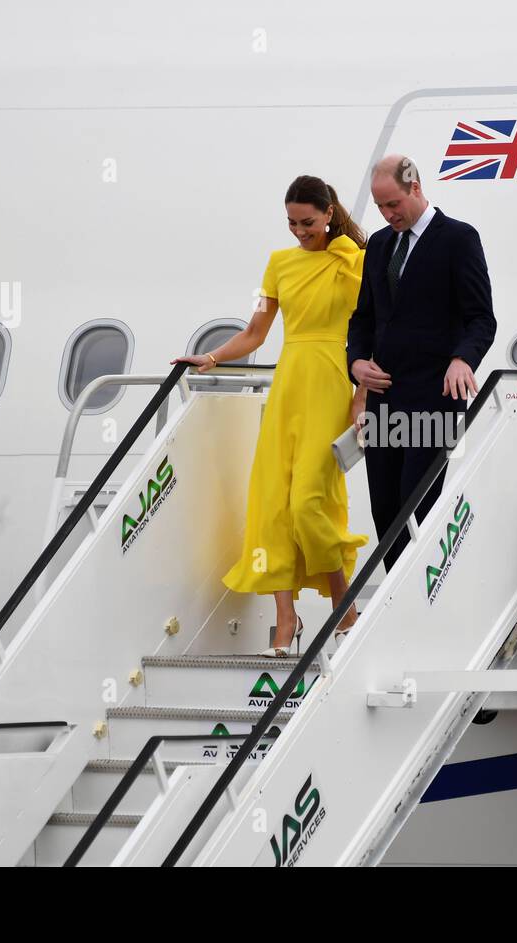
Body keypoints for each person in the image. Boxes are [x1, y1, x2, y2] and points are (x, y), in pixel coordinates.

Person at [172, 175, 367, 656]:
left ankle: (344, 605)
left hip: (331, 381)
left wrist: (363, 394)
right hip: (289, 384)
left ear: (328, 214)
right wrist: (212, 357)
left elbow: (374, 334)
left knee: (308, 502)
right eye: (291, 222)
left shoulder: (356, 261)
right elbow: (256, 332)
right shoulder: (279, 264)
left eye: (307, 222)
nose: (299, 231)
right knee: (273, 503)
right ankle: (286, 621)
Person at [347, 154, 496, 572]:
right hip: (384, 402)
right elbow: (363, 319)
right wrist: (356, 362)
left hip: (434, 398)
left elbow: (481, 317)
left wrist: (463, 359)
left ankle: (418, 605)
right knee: (386, 515)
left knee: (418, 509)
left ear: (415, 187)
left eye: (393, 204)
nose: (388, 214)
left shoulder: (458, 239)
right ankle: (397, 613)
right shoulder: (378, 244)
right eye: (380, 207)